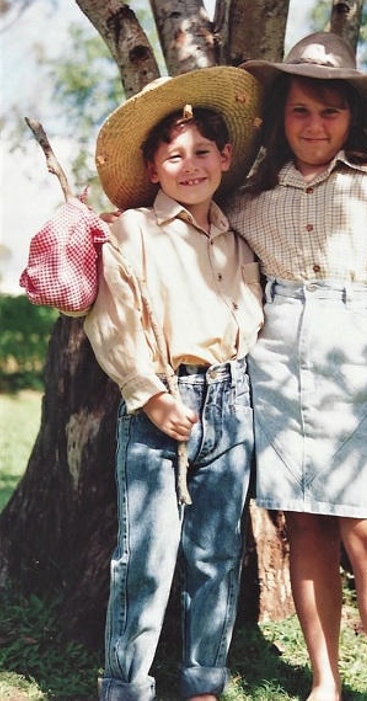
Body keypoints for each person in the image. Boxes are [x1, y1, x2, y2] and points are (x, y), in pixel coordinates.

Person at [227, 32, 367, 701]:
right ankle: (324, 681)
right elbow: (195, 220)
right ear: (279, 116)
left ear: (353, 117)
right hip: (280, 368)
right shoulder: (253, 196)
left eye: (329, 110)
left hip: (361, 368)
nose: (315, 125)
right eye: (300, 110)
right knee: (306, 529)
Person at [83, 66, 264, 701]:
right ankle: (126, 686)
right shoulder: (129, 231)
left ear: (225, 157)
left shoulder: (235, 235)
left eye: (203, 153)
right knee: (146, 560)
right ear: (154, 167)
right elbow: (112, 319)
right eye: (174, 155)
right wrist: (150, 392)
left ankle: (204, 681)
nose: (191, 166)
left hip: (232, 402)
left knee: (216, 554)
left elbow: (249, 314)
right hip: (161, 400)